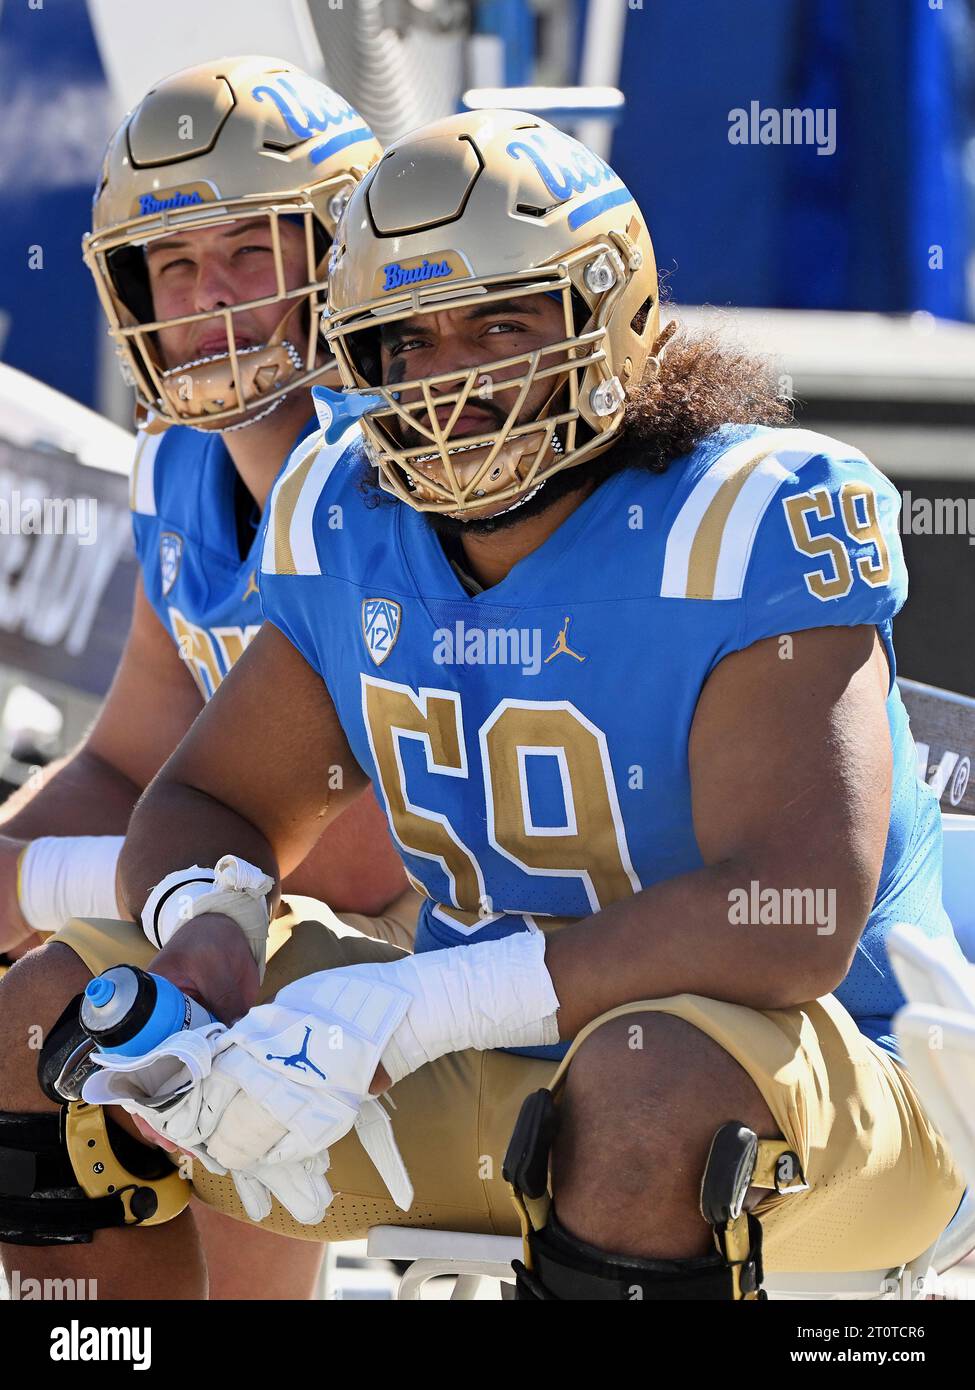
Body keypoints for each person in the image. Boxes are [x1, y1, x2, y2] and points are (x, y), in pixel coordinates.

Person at [0, 108, 965, 1300]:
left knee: (646, 1079)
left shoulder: (747, 520)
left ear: (608, 317)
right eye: (412, 337)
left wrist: (418, 998)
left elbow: (796, 910)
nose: (453, 375)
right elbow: (210, 794)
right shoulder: (346, 515)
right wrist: (213, 943)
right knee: (65, 1014)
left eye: (500, 324)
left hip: (821, 1088)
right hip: (486, 1062)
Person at [0, 56, 419, 1299]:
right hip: (265, 902)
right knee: (55, 1010)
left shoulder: (400, 468)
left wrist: (54, 880)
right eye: (176, 264)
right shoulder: (177, 464)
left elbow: (353, 854)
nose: (212, 297)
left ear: (340, 253)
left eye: (250, 250)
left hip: (463, 930)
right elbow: (129, 759)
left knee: (133, 1016)